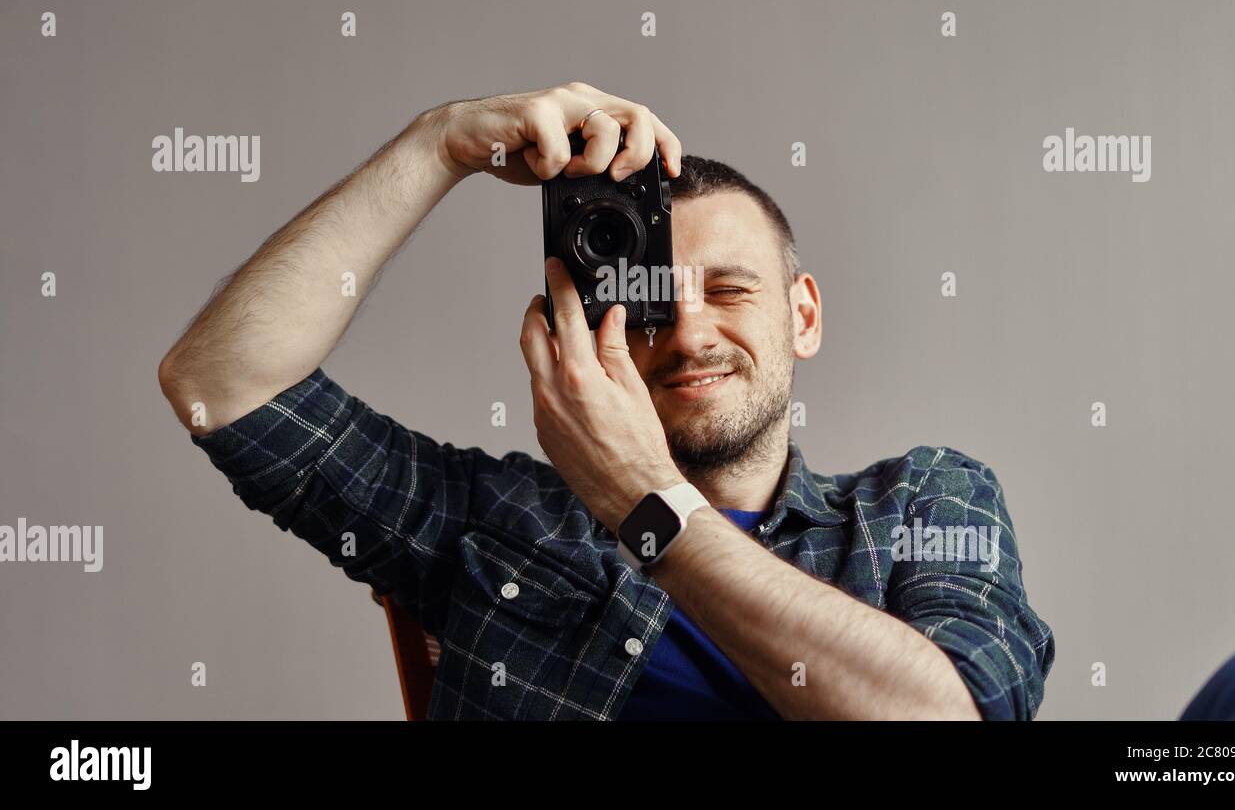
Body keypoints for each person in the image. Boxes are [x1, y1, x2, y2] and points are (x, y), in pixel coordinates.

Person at [158, 81, 1054, 720]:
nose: (691, 334)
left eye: (732, 291)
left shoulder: (920, 504)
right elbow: (221, 382)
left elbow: (946, 716)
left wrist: (648, 508)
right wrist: (439, 144)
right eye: (649, 301)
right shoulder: (494, 519)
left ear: (803, 315)